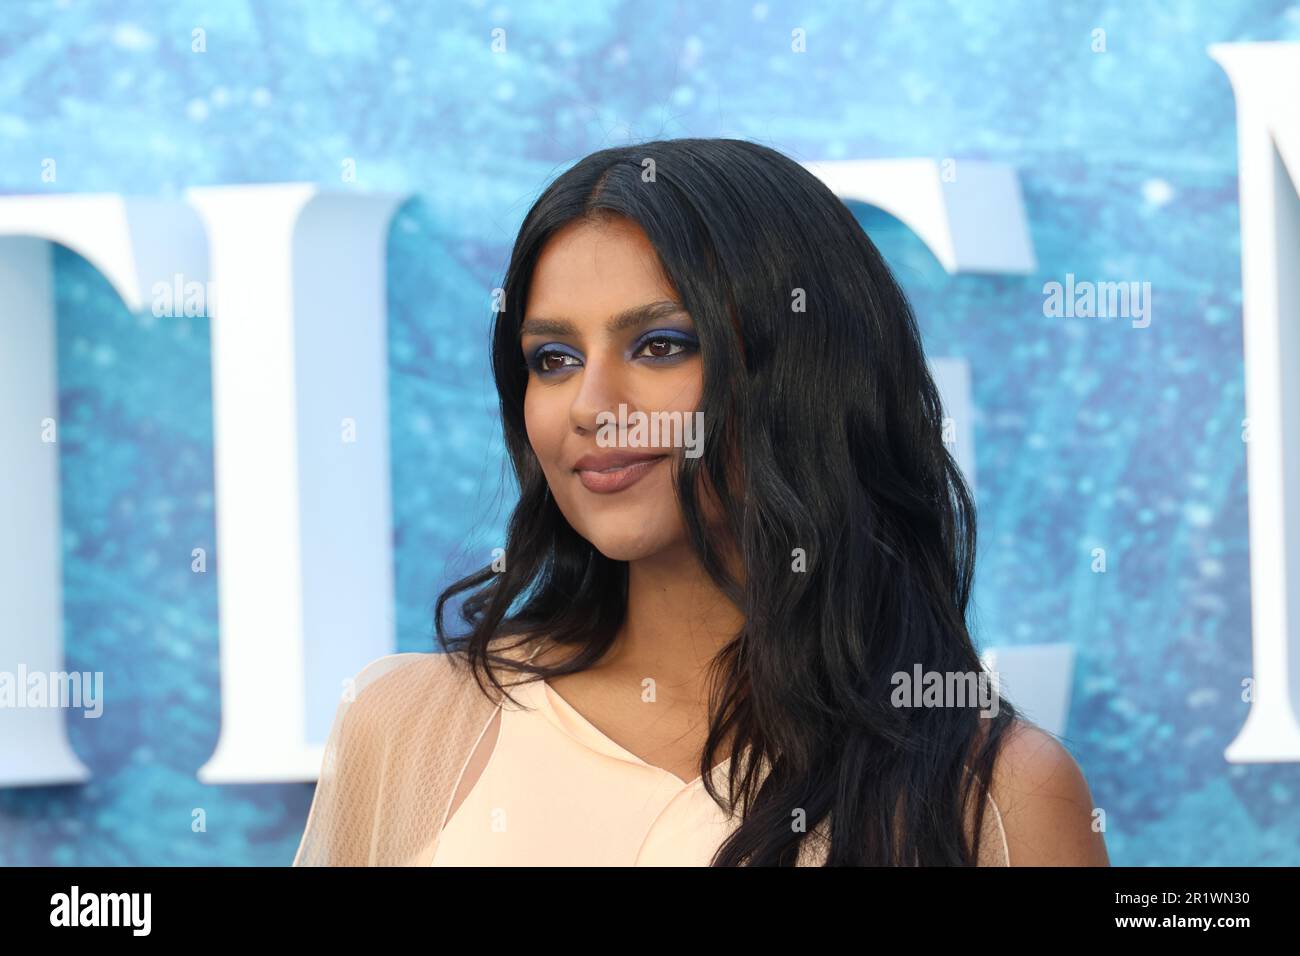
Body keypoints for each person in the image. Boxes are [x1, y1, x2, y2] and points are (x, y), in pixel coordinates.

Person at [295, 137, 1110, 867]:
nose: (590, 404)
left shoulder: (999, 795)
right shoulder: (404, 728)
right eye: (552, 358)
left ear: (807, 374)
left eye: (660, 345)